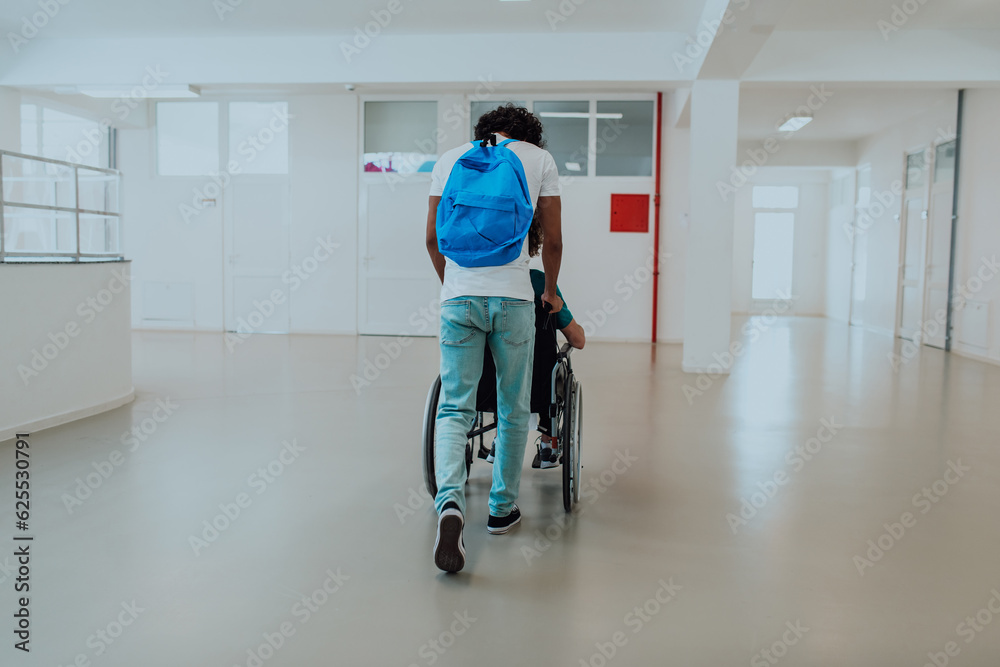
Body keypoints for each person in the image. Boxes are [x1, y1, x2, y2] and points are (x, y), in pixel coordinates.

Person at [425, 104, 563, 573]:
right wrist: (547, 289)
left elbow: (431, 238)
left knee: (454, 406)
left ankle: (450, 503)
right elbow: (555, 240)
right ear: (530, 134)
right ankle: (501, 510)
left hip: (459, 297)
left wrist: (453, 285)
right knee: (513, 405)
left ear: (483, 131)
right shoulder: (538, 160)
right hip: (513, 299)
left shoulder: (450, 158)